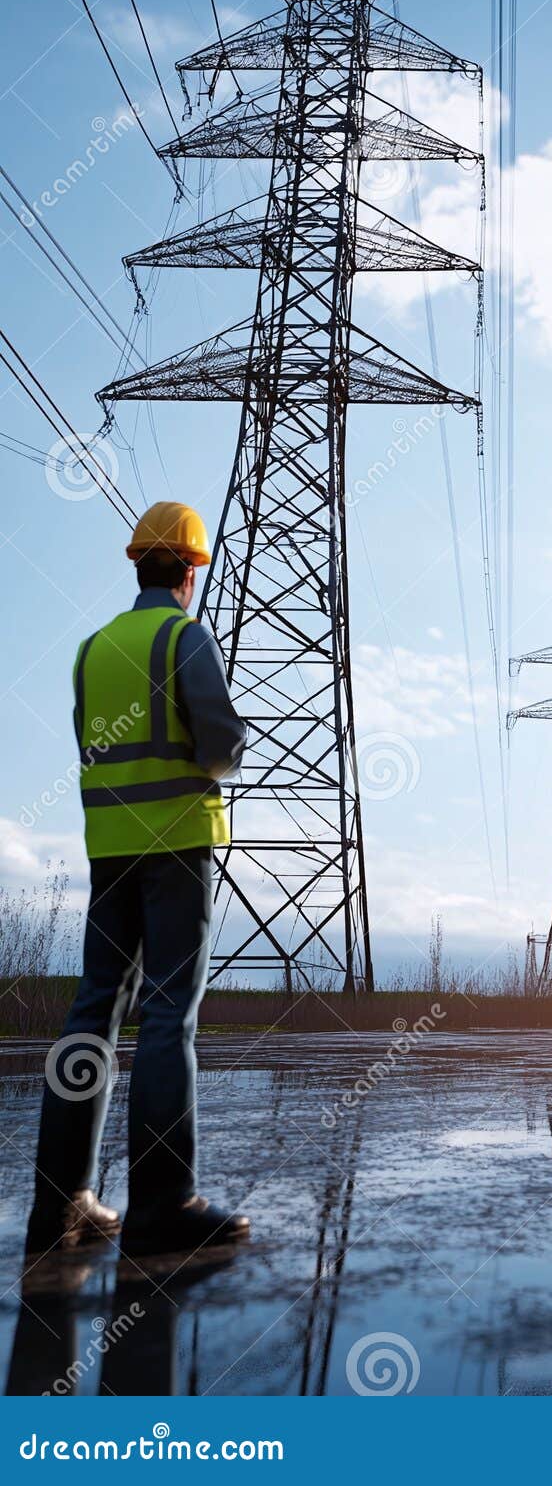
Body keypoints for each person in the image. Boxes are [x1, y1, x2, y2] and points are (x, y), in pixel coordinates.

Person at [26, 502, 251, 1257]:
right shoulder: (183, 637)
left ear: (138, 565)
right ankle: (160, 1206)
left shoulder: (93, 648)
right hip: (177, 848)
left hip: (110, 849)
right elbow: (220, 745)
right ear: (190, 571)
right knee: (167, 1017)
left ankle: (60, 1206)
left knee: (92, 1013)